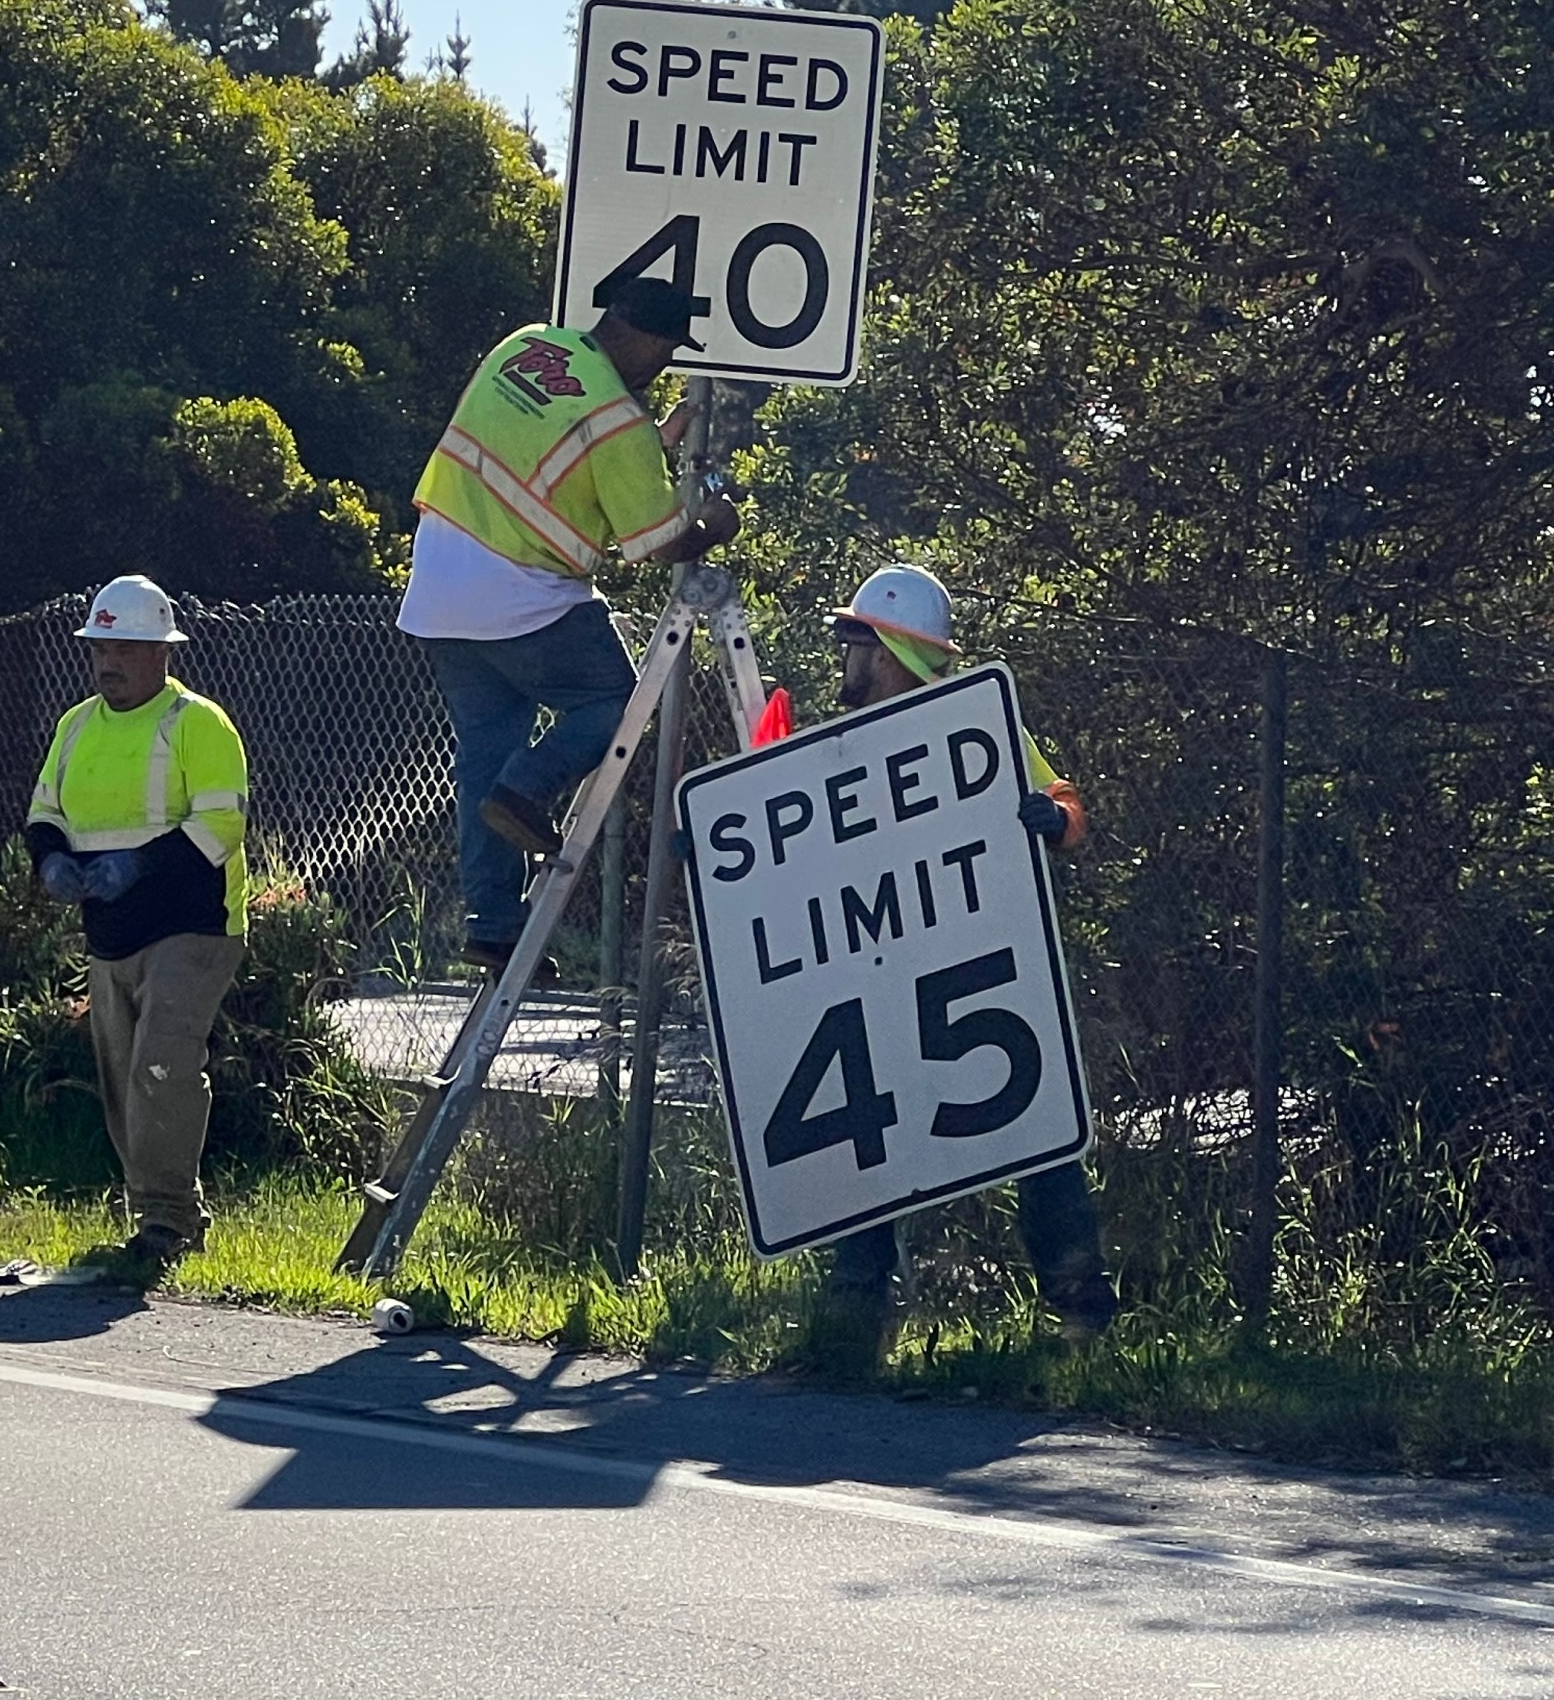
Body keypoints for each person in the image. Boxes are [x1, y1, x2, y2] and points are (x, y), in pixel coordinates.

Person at [808, 563, 1121, 1351]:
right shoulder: (836, 746)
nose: (842, 660)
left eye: (853, 643)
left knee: (1030, 1127)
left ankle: (1080, 1313)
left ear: (886, 651)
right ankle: (853, 1313)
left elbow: (1069, 804)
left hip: (976, 974)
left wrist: (1051, 822)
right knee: (868, 1129)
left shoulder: (976, 726)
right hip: (876, 978)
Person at [397, 278, 740, 968]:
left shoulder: (528, 345)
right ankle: (531, 788)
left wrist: (655, 437)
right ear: (642, 338)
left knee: (483, 760)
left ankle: (492, 923)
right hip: (519, 595)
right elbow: (656, 545)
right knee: (618, 703)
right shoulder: (621, 426)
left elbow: (560, 441)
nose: (665, 364)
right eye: (667, 349)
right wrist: (715, 524)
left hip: (437, 584)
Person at [24, 574, 251, 1271]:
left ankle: (171, 1222)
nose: (107, 662)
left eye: (123, 647)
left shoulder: (198, 724)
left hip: (193, 926)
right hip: (110, 933)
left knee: (163, 1063)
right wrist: (52, 861)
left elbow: (220, 824)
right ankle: (154, 1215)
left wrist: (138, 867)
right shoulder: (75, 726)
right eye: (100, 646)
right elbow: (44, 814)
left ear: (161, 653)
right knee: (124, 1075)